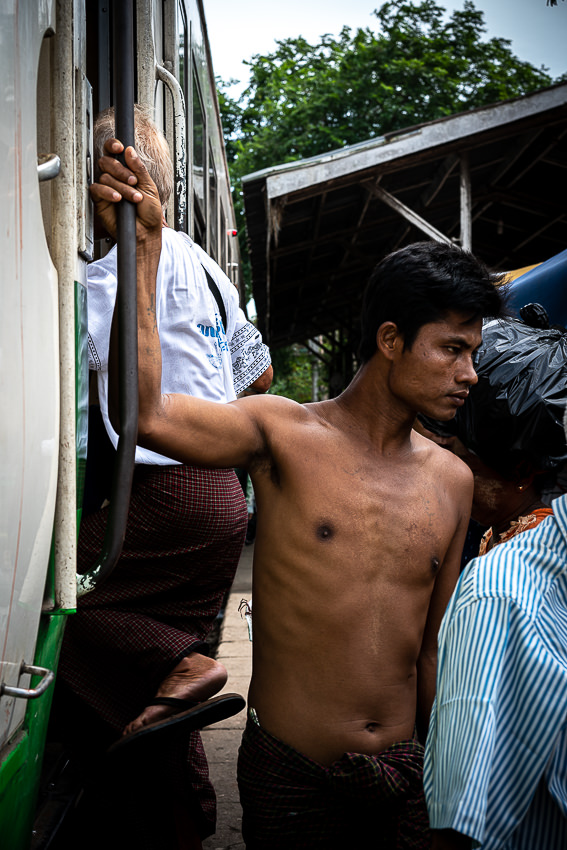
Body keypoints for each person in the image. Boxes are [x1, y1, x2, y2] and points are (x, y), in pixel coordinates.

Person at [90, 138, 505, 848]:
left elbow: (432, 649)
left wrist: (449, 774)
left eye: (473, 353)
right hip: (293, 777)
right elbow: (145, 416)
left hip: (408, 775)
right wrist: (149, 249)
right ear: (391, 340)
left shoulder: (453, 480)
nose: (469, 373)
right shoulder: (280, 434)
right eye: (452, 349)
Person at [57, 107, 271, 843]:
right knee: (152, 697)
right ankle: (182, 819)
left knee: (57, 613)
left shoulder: (102, 266)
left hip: (161, 489)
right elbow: (259, 370)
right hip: (219, 491)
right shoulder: (202, 260)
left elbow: (96, 381)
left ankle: (187, 664)